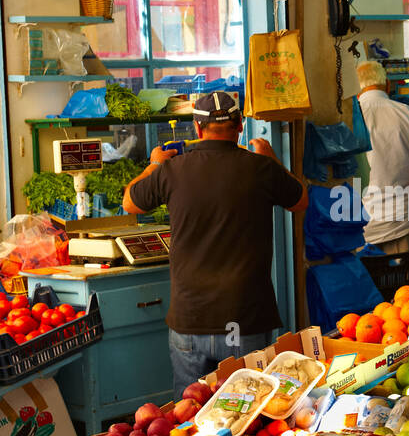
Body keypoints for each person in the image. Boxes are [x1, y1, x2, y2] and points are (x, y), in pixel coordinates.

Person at [122, 90, 307, 397]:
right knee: (248, 412)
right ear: (240, 126)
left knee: (191, 417)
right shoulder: (260, 168)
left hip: (189, 320)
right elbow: (300, 201)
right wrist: (272, 159)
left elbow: (130, 203)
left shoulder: (172, 170)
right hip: (245, 319)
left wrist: (154, 164)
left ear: (197, 128)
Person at [356, 60, 409, 281]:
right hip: (407, 218)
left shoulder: (351, 117)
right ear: (387, 85)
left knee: (371, 298)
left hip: (363, 221)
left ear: (358, 89)